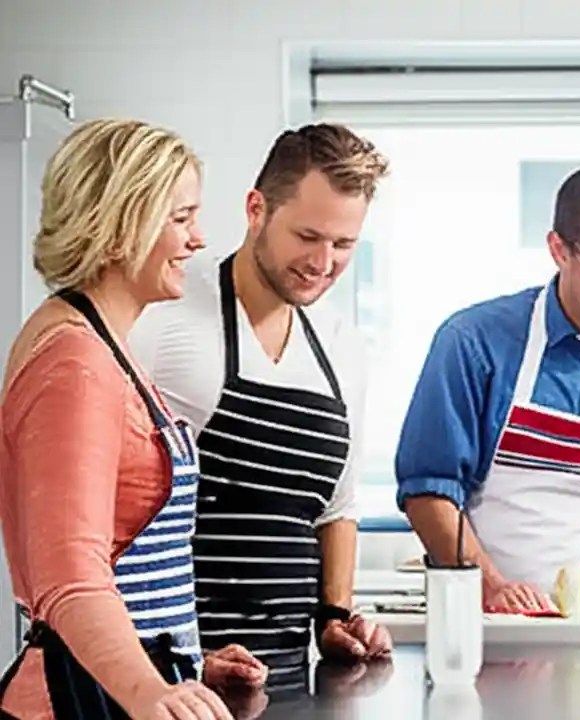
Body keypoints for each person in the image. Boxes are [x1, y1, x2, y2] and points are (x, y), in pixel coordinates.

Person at [129, 123, 393, 693]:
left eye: (344, 245)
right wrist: (182, 658)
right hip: (167, 678)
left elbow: (336, 508)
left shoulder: (342, 346)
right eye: (308, 236)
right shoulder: (163, 316)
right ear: (256, 209)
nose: (323, 262)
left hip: (286, 678)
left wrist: (333, 618)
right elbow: (108, 511)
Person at [0, 119, 232, 718]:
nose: (198, 239)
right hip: (81, 698)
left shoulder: (102, 344)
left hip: (115, 684)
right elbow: (70, 578)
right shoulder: (75, 362)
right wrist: (150, 690)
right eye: (181, 218)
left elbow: (127, 553)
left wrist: (187, 659)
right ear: (122, 224)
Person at [396, 163, 580, 613]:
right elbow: (428, 493)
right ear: (559, 250)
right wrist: (492, 589)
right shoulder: (474, 343)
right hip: (489, 628)